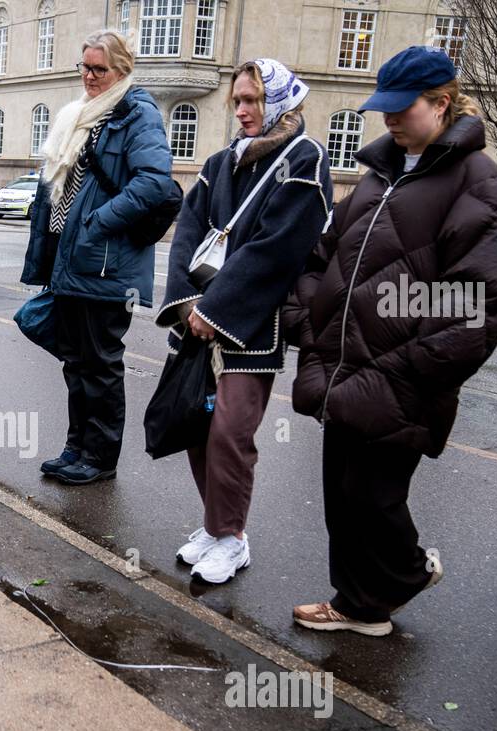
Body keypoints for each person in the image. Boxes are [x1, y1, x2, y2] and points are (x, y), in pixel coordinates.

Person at [283, 46, 497, 636]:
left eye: (402, 107)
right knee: (342, 497)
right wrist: (308, 326)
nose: (388, 119)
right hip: (340, 369)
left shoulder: (480, 185)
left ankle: (399, 579)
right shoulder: (377, 178)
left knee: (374, 498)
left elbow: (477, 304)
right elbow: (323, 255)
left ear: (441, 103)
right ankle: (360, 604)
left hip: (401, 382)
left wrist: (406, 367)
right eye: (383, 107)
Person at [158, 59, 331, 584]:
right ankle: (214, 528)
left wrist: (214, 311)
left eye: (252, 100)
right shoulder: (219, 161)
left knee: (230, 433)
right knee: (196, 425)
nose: (242, 110)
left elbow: (277, 249)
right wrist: (187, 302)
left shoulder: (304, 159)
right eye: (237, 101)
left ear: (280, 99)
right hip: (200, 319)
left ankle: (233, 538)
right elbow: (188, 228)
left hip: (251, 326)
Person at [21, 29, 173, 485]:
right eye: (83, 66)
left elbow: (153, 182)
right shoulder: (83, 114)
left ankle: (100, 458)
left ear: (121, 70)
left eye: (98, 69)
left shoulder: (136, 113)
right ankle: (76, 447)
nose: (88, 75)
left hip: (106, 263)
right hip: (73, 260)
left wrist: (97, 222)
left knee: (101, 363)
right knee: (76, 360)